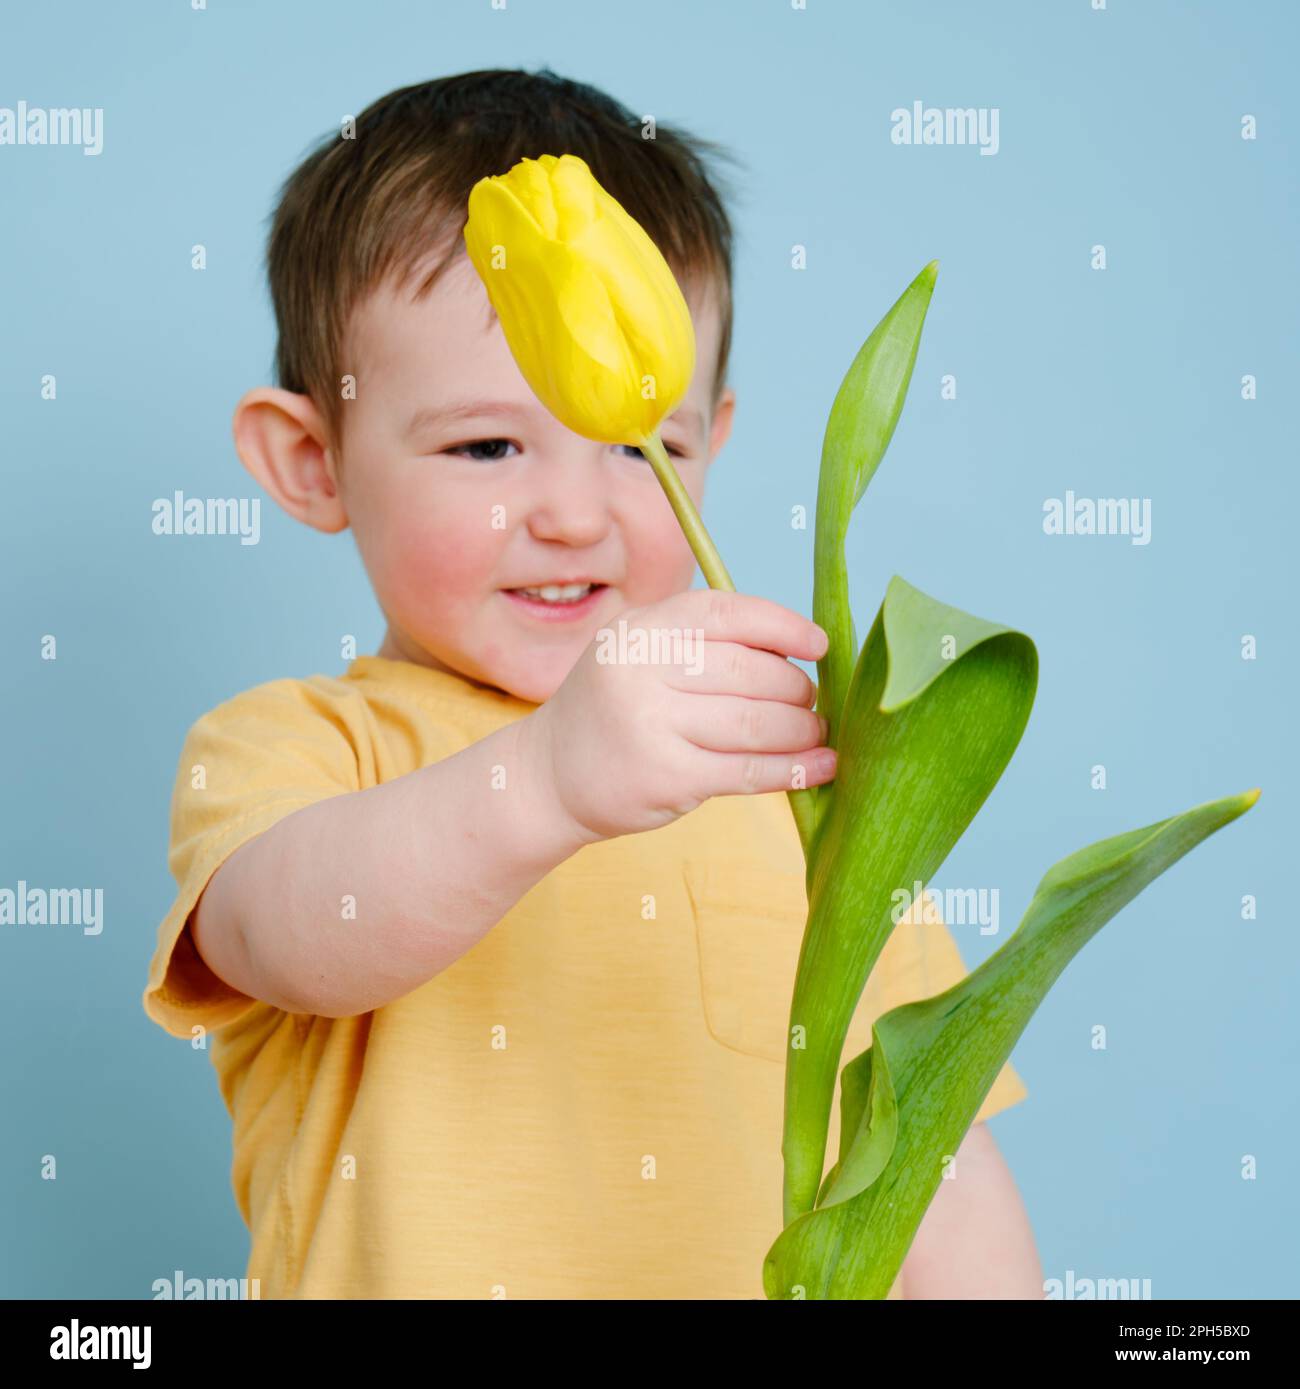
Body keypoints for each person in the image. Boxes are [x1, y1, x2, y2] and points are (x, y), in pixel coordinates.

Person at [142, 67, 1040, 1299]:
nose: (573, 513)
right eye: (486, 445)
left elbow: (928, 1143)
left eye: (639, 445)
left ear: (711, 443)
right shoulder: (295, 749)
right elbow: (292, 936)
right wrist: (550, 779)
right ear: (312, 462)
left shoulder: (796, 767)